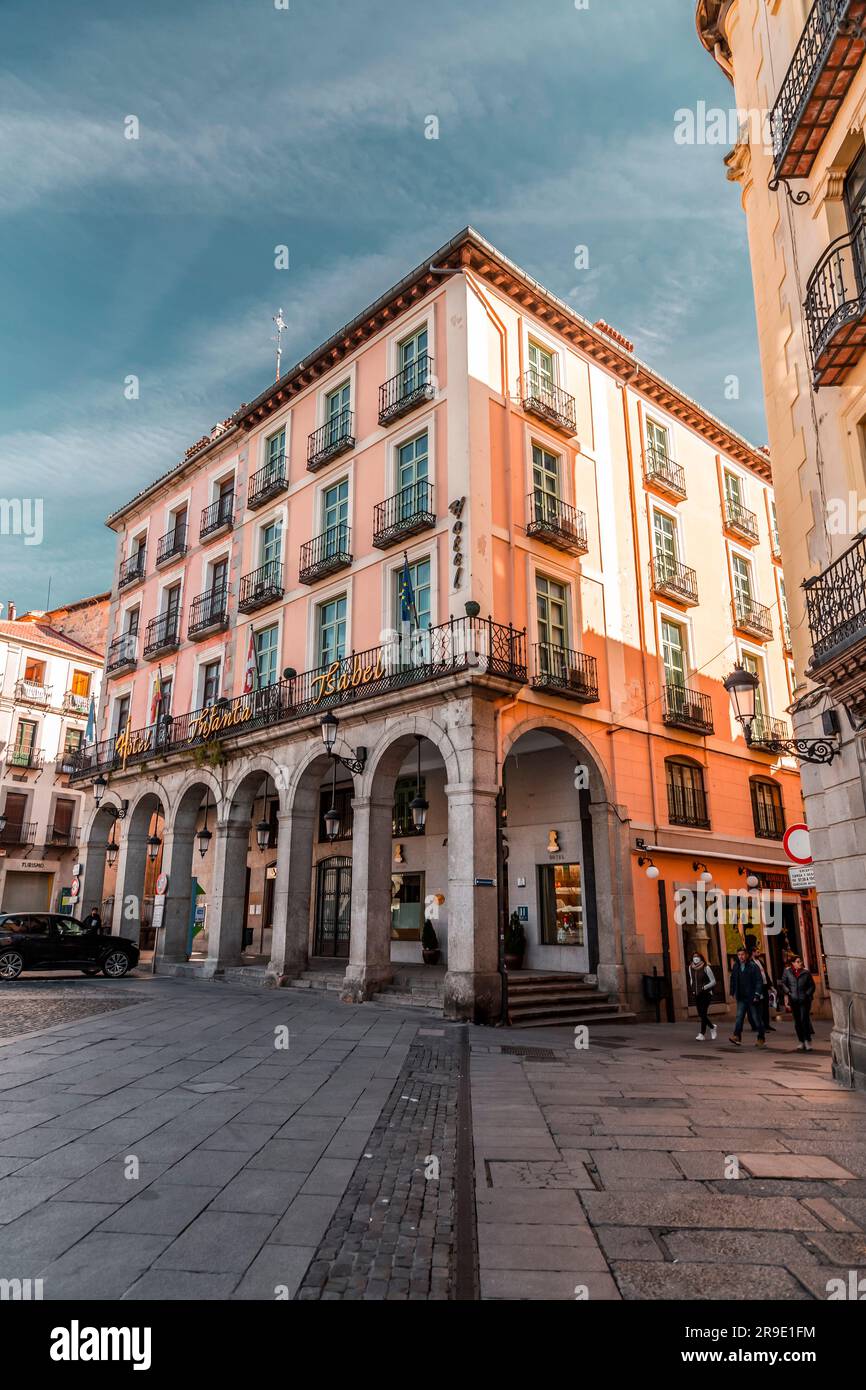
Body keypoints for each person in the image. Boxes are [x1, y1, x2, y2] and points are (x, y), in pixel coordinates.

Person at [729, 947, 766, 1047]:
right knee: (739, 1017)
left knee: (756, 1018)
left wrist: (757, 994)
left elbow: (759, 981)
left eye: (742, 954)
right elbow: (733, 979)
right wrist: (732, 991)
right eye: (739, 955)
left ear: (746, 955)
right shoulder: (736, 966)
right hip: (741, 997)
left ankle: (761, 1037)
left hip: (752, 996)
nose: (741, 956)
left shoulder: (753, 966)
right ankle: (737, 1036)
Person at [781, 955, 816, 1052]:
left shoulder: (806, 973)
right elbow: (783, 983)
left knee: (804, 1020)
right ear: (793, 963)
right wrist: (788, 992)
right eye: (797, 961)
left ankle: (807, 1041)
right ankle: (801, 1041)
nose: (800, 963)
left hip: (804, 1001)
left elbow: (812, 986)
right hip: (794, 1000)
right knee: (797, 1022)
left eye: (800, 961)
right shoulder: (787, 972)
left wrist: (807, 994)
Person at [688, 951, 717, 1041]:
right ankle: (712, 1027)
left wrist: (705, 987)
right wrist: (693, 989)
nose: (695, 958)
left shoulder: (706, 967)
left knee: (703, 1013)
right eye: (694, 956)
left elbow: (713, 981)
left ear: (701, 958)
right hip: (697, 993)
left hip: (706, 993)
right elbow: (691, 979)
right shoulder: (690, 967)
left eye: (697, 956)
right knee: (701, 1014)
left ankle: (702, 1034)